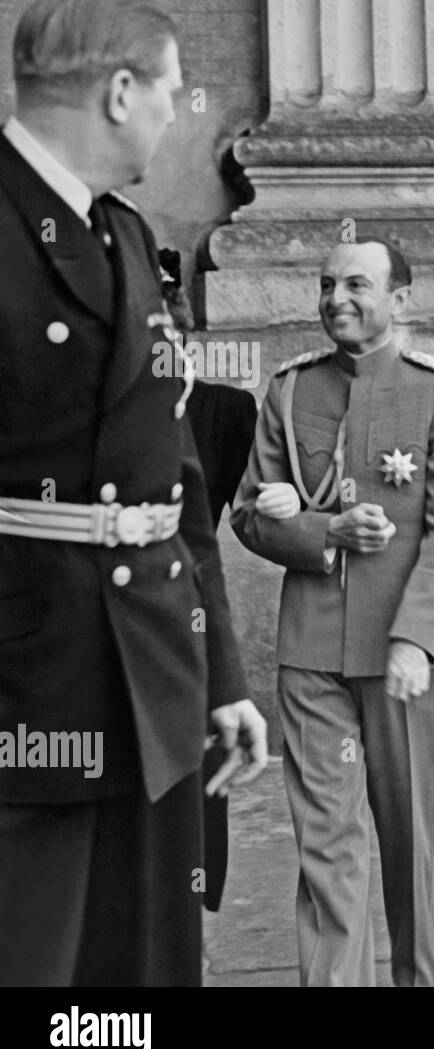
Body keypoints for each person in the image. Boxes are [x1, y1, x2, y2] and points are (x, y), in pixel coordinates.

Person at [0, 0, 267, 987]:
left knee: (143, 970)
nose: (173, 113)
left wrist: (223, 676)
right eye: (166, 90)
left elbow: (179, 489)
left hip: (152, 678)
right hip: (29, 681)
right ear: (119, 92)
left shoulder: (124, 235)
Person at [231, 238, 434, 987]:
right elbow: (249, 514)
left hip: (409, 656)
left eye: (357, 286)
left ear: (400, 300)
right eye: (326, 284)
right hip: (312, 651)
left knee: (409, 842)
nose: (337, 299)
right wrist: (322, 533)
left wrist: (414, 640)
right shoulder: (288, 390)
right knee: (325, 843)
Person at [160, 247, 260, 912]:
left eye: (170, 297)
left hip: (185, 622)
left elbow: (205, 534)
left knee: (191, 812)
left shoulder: (224, 411)